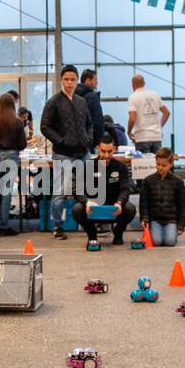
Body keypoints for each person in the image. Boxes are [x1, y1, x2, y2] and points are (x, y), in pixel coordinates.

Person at [40, 65, 93, 239]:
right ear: (61, 80)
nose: (70, 83)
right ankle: (58, 226)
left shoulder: (81, 101)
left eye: (73, 79)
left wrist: (88, 138)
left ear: (77, 81)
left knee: (87, 189)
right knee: (60, 191)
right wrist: (61, 141)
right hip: (62, 153)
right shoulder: (53, 102)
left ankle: (88, 223)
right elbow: (45, 126)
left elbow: (89, 123)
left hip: (83, 152)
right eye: (66, 79)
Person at [72, 134, 134, 248]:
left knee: (130, 208)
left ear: (114, 149)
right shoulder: (87, 166)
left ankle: (118, 233)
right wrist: (87, 202)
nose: (106, 155)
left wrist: (119, 202)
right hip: (93, 207)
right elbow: (77, 189)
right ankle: (92, 235)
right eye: (103, 151)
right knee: (77, 209)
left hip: (114, 208)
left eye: (109, 151)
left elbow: (125, 189)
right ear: (97, 149)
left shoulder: (121, 167)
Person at [0, 92, 27, 236]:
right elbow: (22, 144)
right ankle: (4, 224)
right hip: (12, 156)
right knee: (6, 191)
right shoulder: (17, 122)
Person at [138, 147, 185, 246]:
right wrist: (144, 219)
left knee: (169, 241)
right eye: (158, 164)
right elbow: (144, 202)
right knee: (157, 242)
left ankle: (171, 233)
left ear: (171, 164)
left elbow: (182, 204)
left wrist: (181, 224)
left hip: (171, 219)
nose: (160, 168)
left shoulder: (178, 182)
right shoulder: (147, 181)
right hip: (155, 219)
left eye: (164, 165)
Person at [127, 74, 169, 154]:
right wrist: (159, 127)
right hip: (156, 137)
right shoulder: (155, 94)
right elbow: (166, 113)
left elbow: (132, 118)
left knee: (144, 165)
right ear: (144, 83)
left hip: (142, 137)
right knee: (157, 164)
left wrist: (129, 132)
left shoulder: (133, 97)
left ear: (132, 85)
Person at [75, 67, 105, 146]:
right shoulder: (92, 96)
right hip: (90, 142)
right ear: (88, 80)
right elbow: (97, 121)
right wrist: (99, 141)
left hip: (75, 141)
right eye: (95, 80)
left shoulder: (73, 95)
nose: (97, 82)